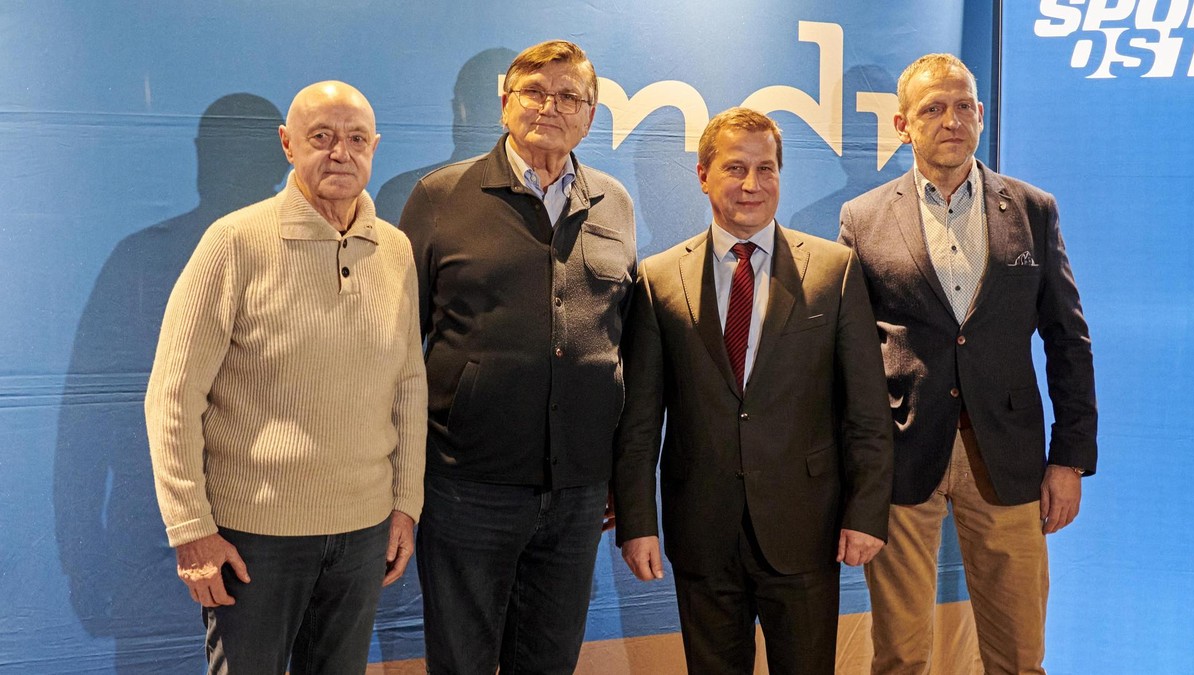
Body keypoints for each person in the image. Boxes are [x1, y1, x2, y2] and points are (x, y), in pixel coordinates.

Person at [145, 81, 426, 674]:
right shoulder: (233, 242)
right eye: (321, 137)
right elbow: (173, 393)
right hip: (255, 538)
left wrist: (405, 504)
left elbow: (408, 386)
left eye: (355, 139)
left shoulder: (395, 250)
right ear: (287, 144)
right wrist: (190, 526)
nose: (340, 153)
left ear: (375, 146)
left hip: (364, 531)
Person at [838, 53, 1098, 675]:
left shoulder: (1034, 210)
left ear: (980, 116)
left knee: (1018, 655)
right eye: (932, 108)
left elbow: (1069, 341)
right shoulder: (863, 219)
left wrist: (1069, 459)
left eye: (962, 106)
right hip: (901, 457)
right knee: (900, 656)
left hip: (1008, 457)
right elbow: (847, 358)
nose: (950, 120)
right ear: (903, 124)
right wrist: (854, 472)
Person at [613, 107, 894, 674]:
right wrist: (638, 522)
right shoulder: (657, 278)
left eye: (766, 169)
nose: (751, 185)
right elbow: (640, 421)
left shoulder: (834, 271)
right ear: (702, 175)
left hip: (805, 527)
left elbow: (866, 408)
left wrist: (866, 511)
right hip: (702, 530)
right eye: (735, 167)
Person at [397, 40, 636, 674]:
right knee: (463, 662)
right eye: (534, 92)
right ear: (504, 103)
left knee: (550, 663)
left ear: (590, 113)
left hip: (580, 495)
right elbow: (395, 348)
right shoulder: (440, 197)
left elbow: (622, 345)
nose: (550, 107)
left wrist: (613, 470)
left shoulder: (615, 203)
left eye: (569, 97)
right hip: (467, 487)